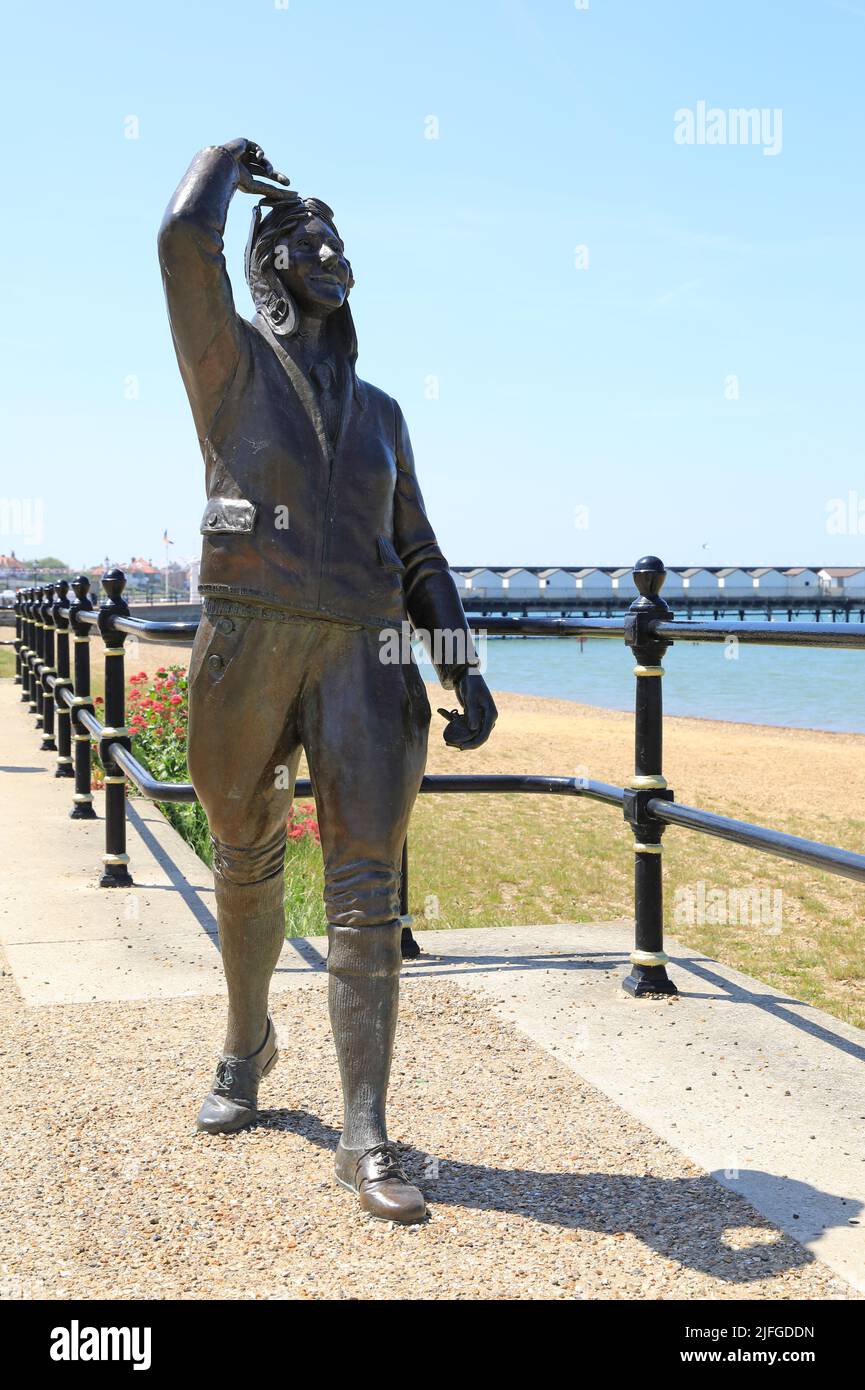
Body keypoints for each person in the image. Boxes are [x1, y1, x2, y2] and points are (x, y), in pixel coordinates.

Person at [158, 139, 497, 1223]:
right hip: (249, 641)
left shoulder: (387, 415)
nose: (333, 253)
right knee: (245, 847)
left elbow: (420, 554)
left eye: (340, 241)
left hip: (364, 650)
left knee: (366, 887)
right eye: (310, 241)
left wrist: (461, 665)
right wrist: (222, 162)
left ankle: (364, 1130)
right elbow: (179, 241)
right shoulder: (231, 368)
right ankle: (244, 1044)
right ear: (270, 274)